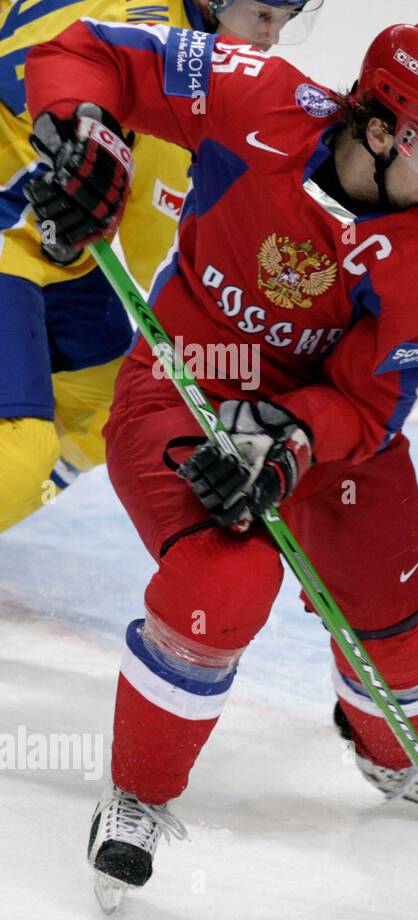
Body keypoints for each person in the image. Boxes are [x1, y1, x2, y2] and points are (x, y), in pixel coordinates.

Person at [22, 14, 418, 904]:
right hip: (186, 389)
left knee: (397, 629)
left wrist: (288, 444)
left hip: (328, 438)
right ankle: (137, 793)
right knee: (222, 589)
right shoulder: (254, 97)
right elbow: (81, 51)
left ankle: (392, 757)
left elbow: (370, 406)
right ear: (377, 129)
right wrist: (85, 132)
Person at [0, 1, 324, 535]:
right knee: (22, 454)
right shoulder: (173, 67)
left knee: (107, 400)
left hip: (43, 232)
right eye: (263, 14)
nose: (272, 37)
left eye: (287, 18)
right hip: (18, 224)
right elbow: (167, 262)